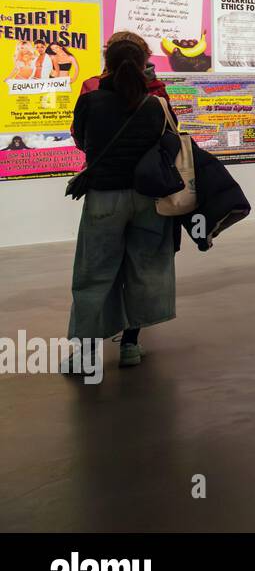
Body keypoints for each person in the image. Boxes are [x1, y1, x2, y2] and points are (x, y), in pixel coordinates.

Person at [69, 35, 179, 370]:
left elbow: (79, 138)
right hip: (148, 197)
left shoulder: (91, 100)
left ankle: (86, 355)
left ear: (108, 61)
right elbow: (172, 140)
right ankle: (130, 346)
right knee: (143, 270)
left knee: (94, 274)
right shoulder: (156, 100)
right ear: (143, 61)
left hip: (104, 197)